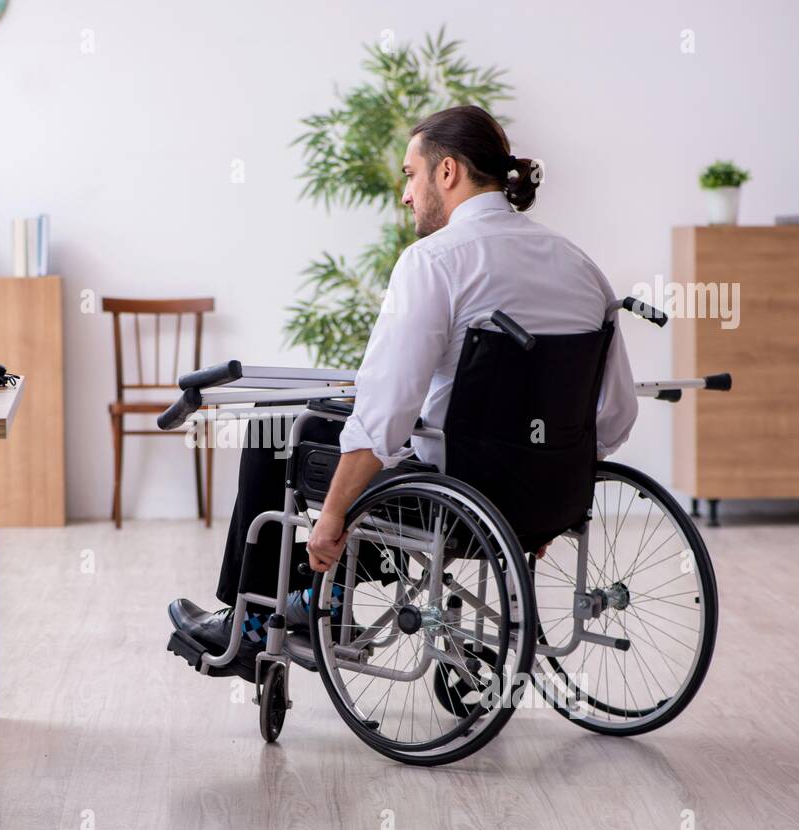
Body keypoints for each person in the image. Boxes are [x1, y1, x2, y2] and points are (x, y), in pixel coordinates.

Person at [168, 105, 638, 677]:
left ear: (447, 173)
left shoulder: (434, 262)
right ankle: (310, 599)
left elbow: (385, 414)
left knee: (287, 430)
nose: (406, 195)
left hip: (455, 494)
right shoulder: (580, 266)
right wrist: (547, 498)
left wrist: (332, 519)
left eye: (410, 175)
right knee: (366, 443)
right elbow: (614, 414)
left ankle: (248, 624)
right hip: (538, 499)